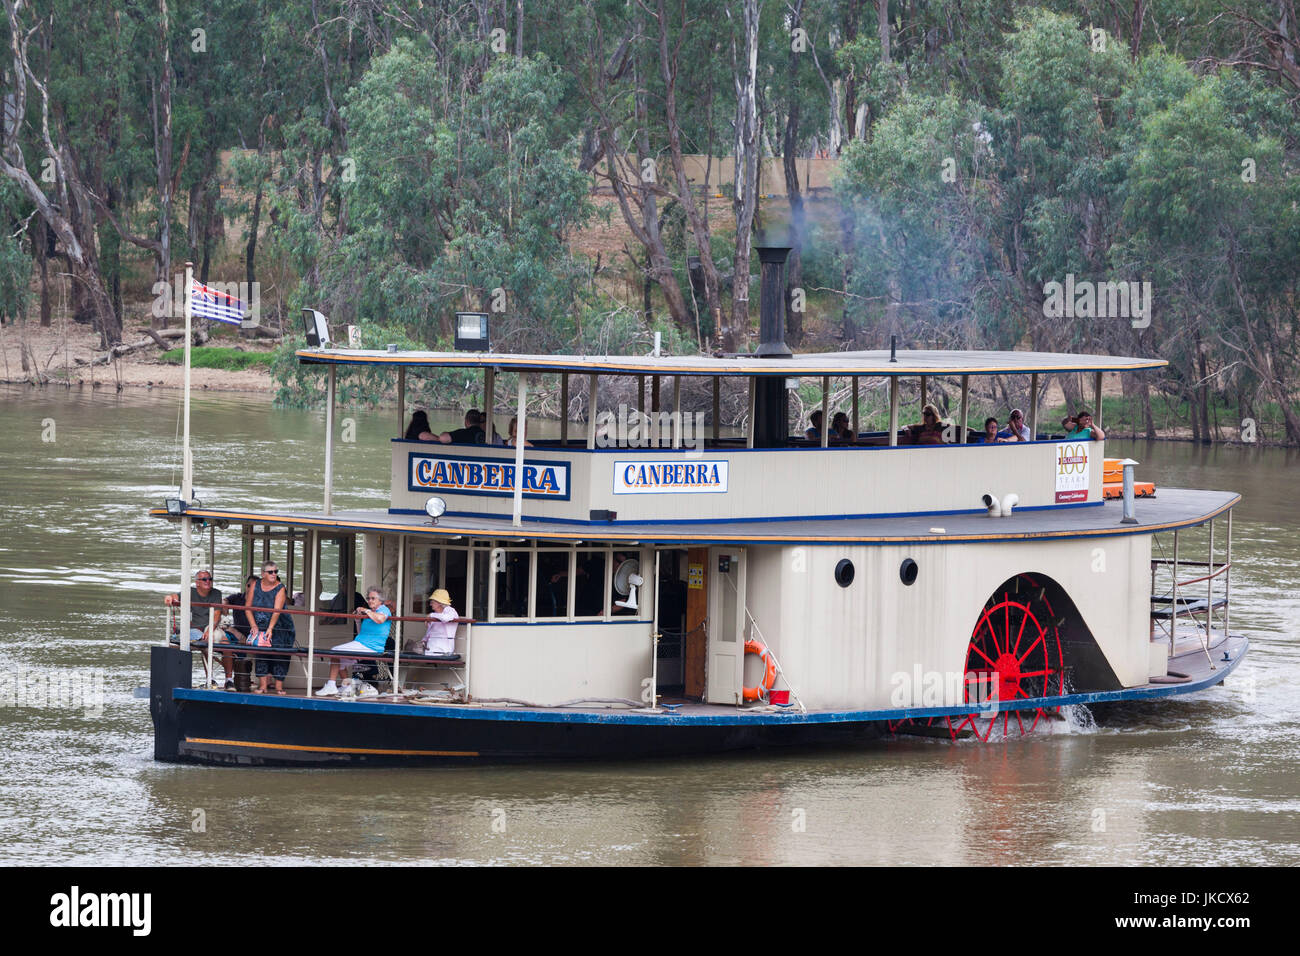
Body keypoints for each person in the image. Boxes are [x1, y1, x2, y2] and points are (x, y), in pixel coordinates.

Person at [164, 570, 240, 689]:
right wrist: (169, 598)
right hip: (194, 629)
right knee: (205, 643)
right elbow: (176, 596)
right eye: (204, 579)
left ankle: (229, 680)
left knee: (226, 643)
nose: (208, 581)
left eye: (210, 579)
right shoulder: (190, 592)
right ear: (197, 582)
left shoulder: (216, 594)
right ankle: (210, 678)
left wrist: (210, 629)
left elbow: (217, 614)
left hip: (211, 627)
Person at [315, 586, 391, 697]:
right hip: (361, 643)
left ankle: (331, 686)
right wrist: (357, 620)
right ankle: (347, 687)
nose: (370, 601)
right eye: (368, 598)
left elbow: (380, 619)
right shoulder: (371, 613)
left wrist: (366, 610)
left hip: (372, 647)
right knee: (339, 659)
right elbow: (361, 633)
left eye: (373, 598)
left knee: (335, 651)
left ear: (380, 601)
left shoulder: (383, 609)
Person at [245, 561, 296, 695]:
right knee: (261, 652)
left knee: (280, 653)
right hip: (260, 625)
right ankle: (263, 686)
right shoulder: (255, 585)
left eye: (276, 572)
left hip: (281, 626)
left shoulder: (280, 588)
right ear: (263, 574)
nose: (274, 574)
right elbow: (248, 608)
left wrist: (270, 629)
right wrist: (253, 626)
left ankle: (279, 687)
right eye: (271, 572)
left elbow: (277, 611)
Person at [418, 588, 460, 656]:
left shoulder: (450, 611)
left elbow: (447, 618)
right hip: (431, 650)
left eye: (432, 602)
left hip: (443, 651)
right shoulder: (436, 614)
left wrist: (431, 615)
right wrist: (423, 641)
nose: (430, 604)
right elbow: (430, 633)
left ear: (440, 603)